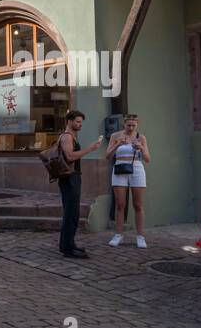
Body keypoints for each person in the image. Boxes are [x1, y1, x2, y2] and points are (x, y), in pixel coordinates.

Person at [55, 110, 104, 258]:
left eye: (81, 122)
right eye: (77, 122)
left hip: (72, 177)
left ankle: (67, 245)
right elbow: (70, 156)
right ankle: (68, 249)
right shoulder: (67, 137)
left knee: (71, 213)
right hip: (69, 178)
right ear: (69, 121)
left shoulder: (70, 137)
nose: (80, 125)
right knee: (71, 213)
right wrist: (91, 148)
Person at [105, 114, 150, 248]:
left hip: (136, 168)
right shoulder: (115, 136)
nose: (131, 127)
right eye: (128, 125)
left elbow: (147, 159)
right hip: (119, 167)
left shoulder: (141, 137)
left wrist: (141, 148)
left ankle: (140, 237)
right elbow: (107, 156)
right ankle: (118, 235)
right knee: (120, 204)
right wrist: (117, 145)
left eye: (133, 125)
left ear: (137, 124)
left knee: (138, 204)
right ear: (124, 124)